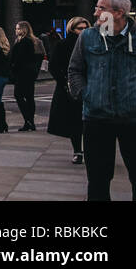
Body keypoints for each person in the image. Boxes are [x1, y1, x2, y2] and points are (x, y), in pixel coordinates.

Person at [68, 0, 136, 201]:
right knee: (98, 181)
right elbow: (75, 70)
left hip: (135, 119)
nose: (95, 12)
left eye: (101, 8)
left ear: (118, 13)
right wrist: (85, 94)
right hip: (97, 118)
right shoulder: (88, 37)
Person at [48, 16, 88, 164]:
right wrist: (64, 82)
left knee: (89, 122)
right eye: (80, 29)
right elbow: (53, 66)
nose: (83, 31)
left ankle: (88, 150)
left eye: (85, 28)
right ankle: (78, 150)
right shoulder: (63, 45)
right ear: (72, 29)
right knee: (75, 122)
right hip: (70, 88)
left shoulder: (92, 44)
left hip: (90, 87)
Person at [10, 20, 44, 131]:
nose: (16, 30)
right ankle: (30, 122)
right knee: (29, 97)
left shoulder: (24, 42)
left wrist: (12, 68)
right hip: (30, 73)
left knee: (18, 95)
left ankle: (28, 120)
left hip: (22, 73)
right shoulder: (34, 41)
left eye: (18, 28)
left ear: (24, 29)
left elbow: (19, 58)